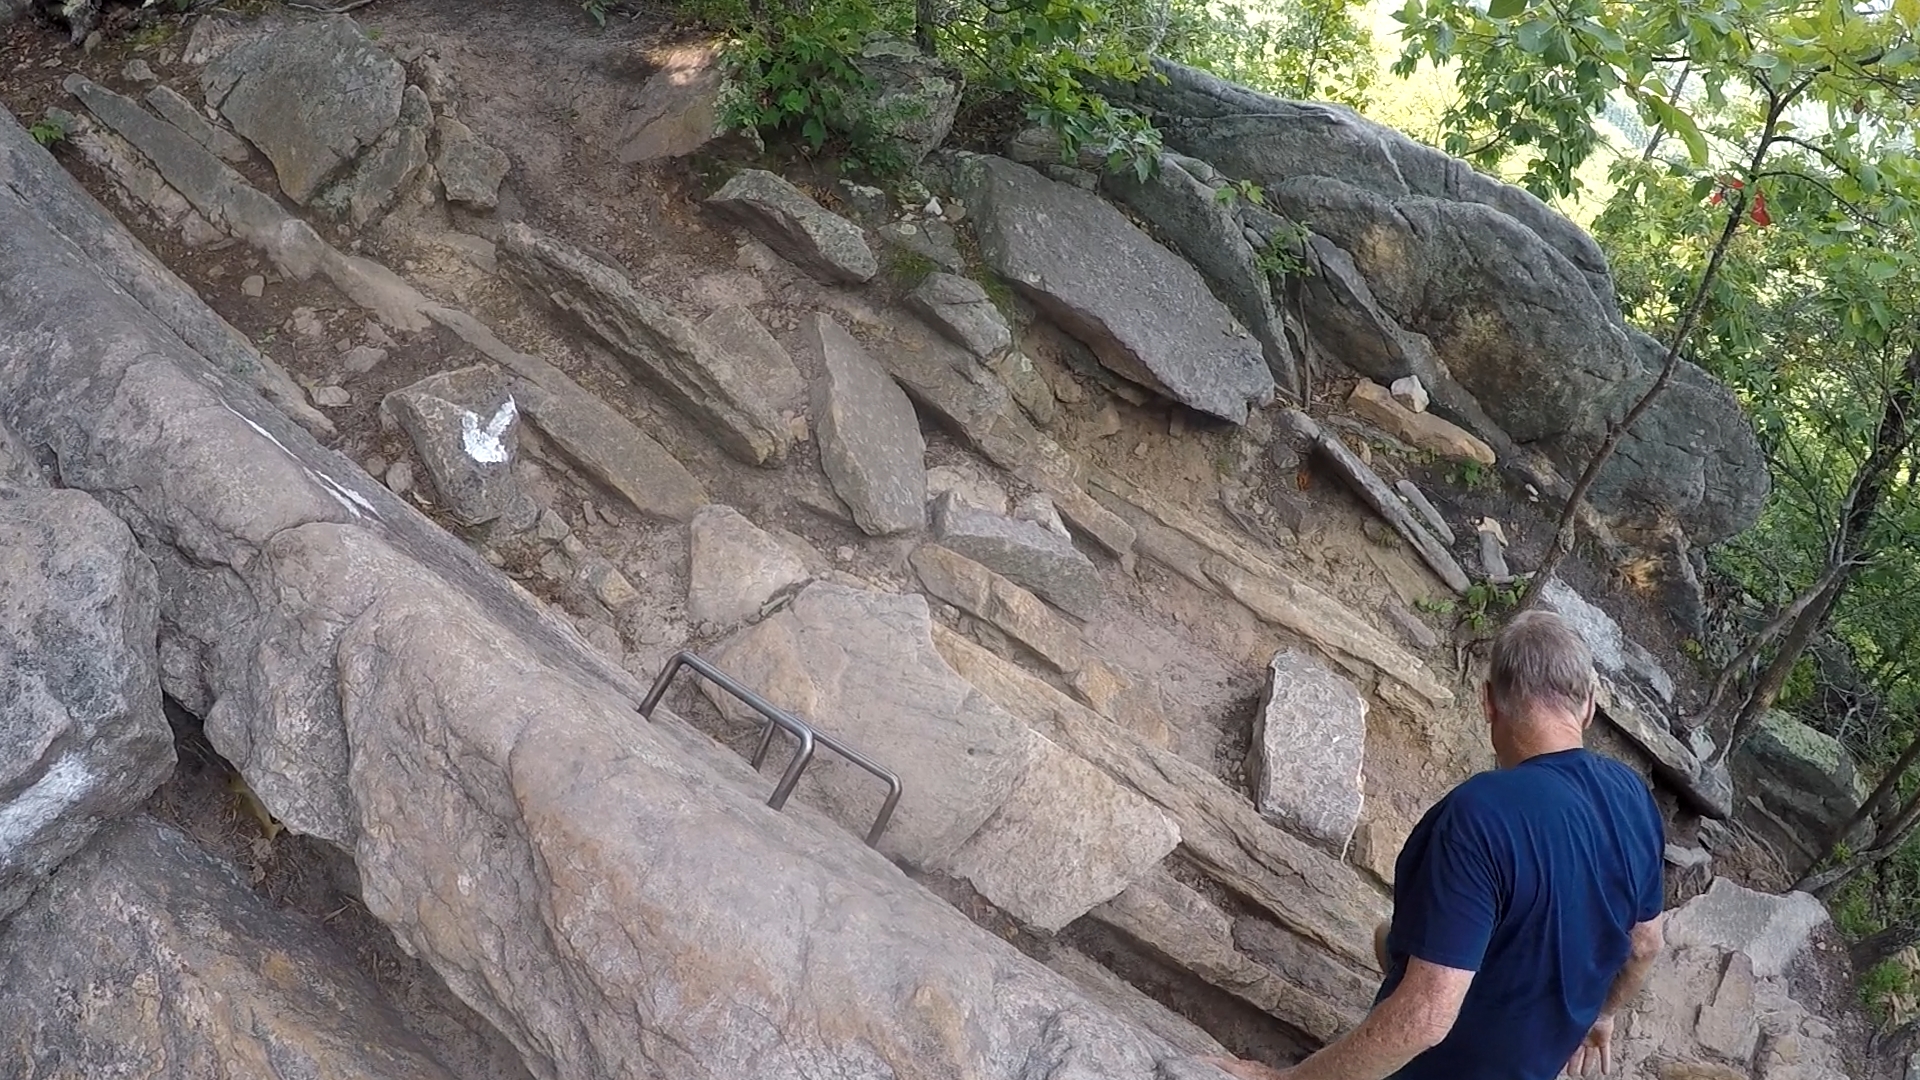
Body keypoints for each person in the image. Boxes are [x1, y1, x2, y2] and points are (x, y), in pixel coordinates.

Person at [1206, 611, 1667, 1080]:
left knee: (1402, 950)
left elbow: (1426, 1017)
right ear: (1588, 706)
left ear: (1488, 702)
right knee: (1390, 937)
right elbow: (1645, 945)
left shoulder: (1480, 814)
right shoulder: (1631, 796)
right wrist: (1601, 1014)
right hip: (1532, 1060)